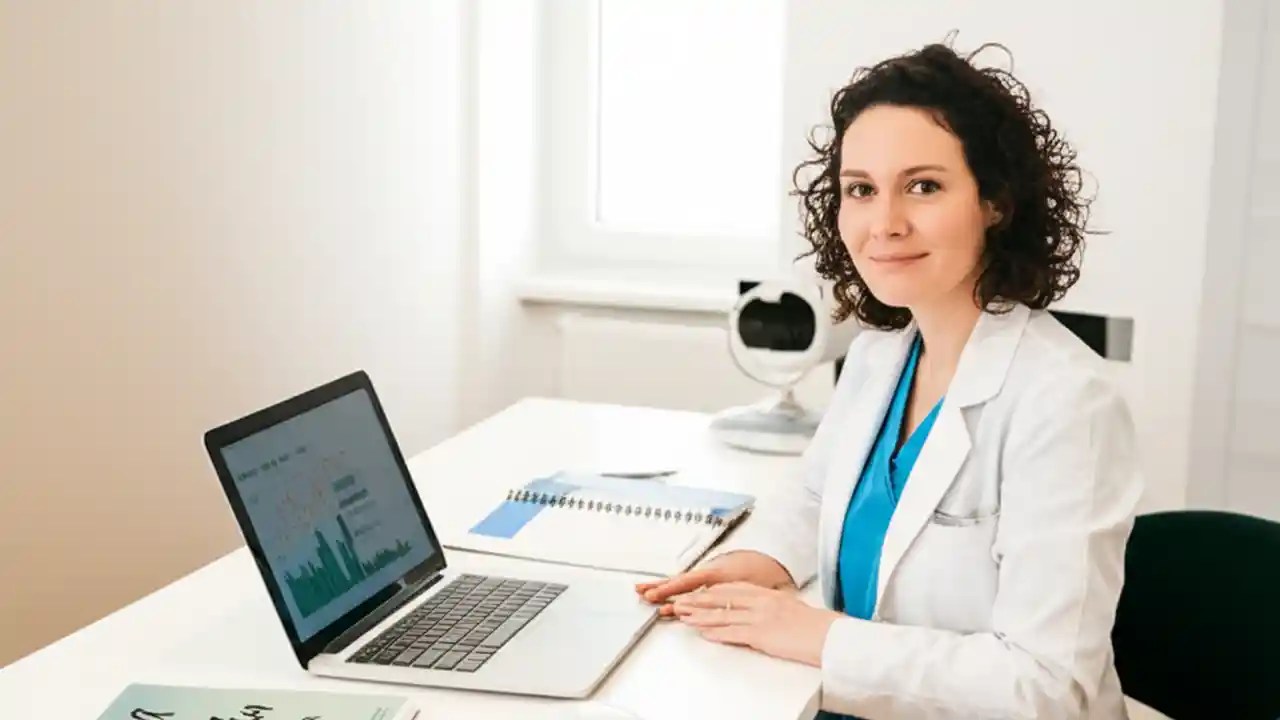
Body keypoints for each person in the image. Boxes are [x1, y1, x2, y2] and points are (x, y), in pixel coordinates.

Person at [636, 40, 1143, 720]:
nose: (885, 224)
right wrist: (756, 565)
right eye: (861, 190)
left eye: (924, 186)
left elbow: (1047, 688)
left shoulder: (1066, 402)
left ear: (994, 201)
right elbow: (817, 495)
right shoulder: (882, 356)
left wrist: (815, 636)